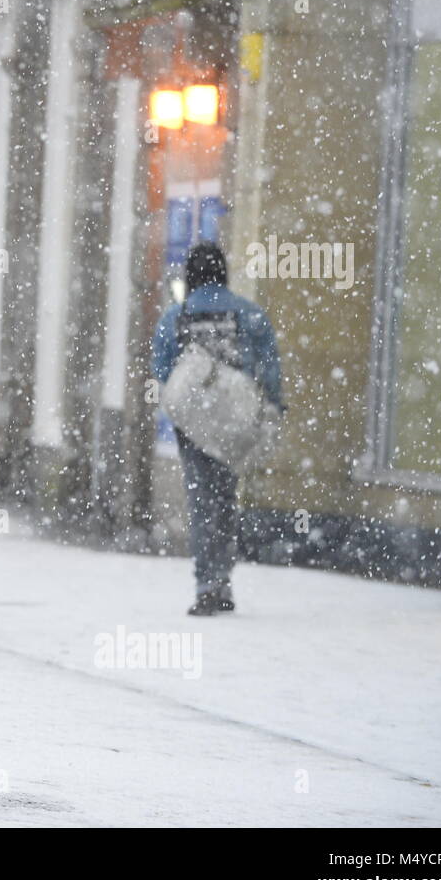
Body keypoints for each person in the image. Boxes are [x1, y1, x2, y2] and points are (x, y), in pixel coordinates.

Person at [152, 242, 282, 616]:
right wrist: (271, 405)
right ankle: (222, 577)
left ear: (191, 276)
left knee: (201, 499)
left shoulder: (175, 318)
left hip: (193, 424)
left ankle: (207, 582)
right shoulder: (249, 314)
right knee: (225, 497)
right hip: (235, 420)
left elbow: (161, 369)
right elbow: (268, 368)